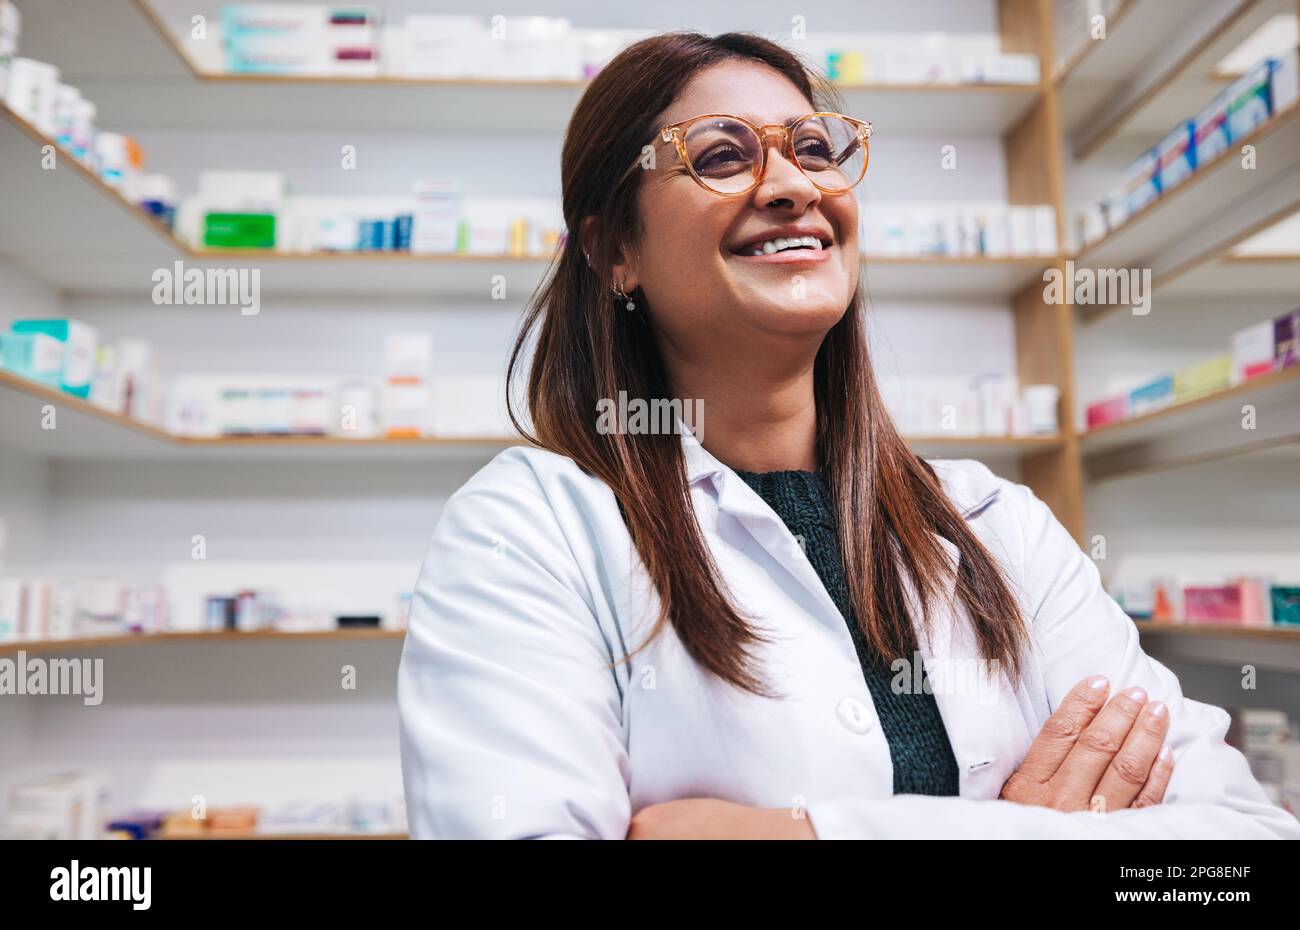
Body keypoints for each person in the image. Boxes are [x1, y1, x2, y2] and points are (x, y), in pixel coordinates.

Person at [397, 31, 1298, 839]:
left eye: (817, 150)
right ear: (611, 251)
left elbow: (1239, 843)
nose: (793, 186)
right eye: (721, 155)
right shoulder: (531, 528)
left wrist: (803, 835)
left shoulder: (997, 526)